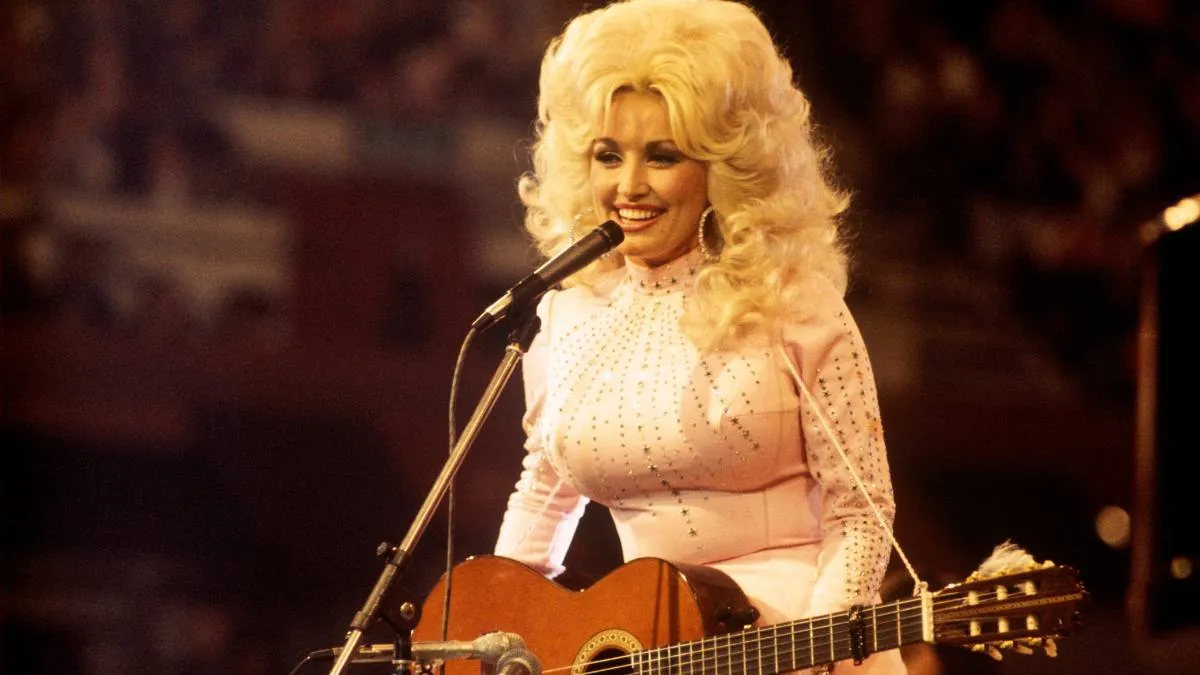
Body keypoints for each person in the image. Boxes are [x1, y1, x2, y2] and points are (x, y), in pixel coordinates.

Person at [493, 1, 905, 673]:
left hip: (803, 650)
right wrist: (493, 630)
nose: (629, 186)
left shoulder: (793, 302)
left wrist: (824, 651)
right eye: (607, 155)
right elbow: (543, 488)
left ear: (723, 166)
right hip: (651, 654)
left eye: (662, 156)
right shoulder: (566, 315)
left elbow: (862, 510)